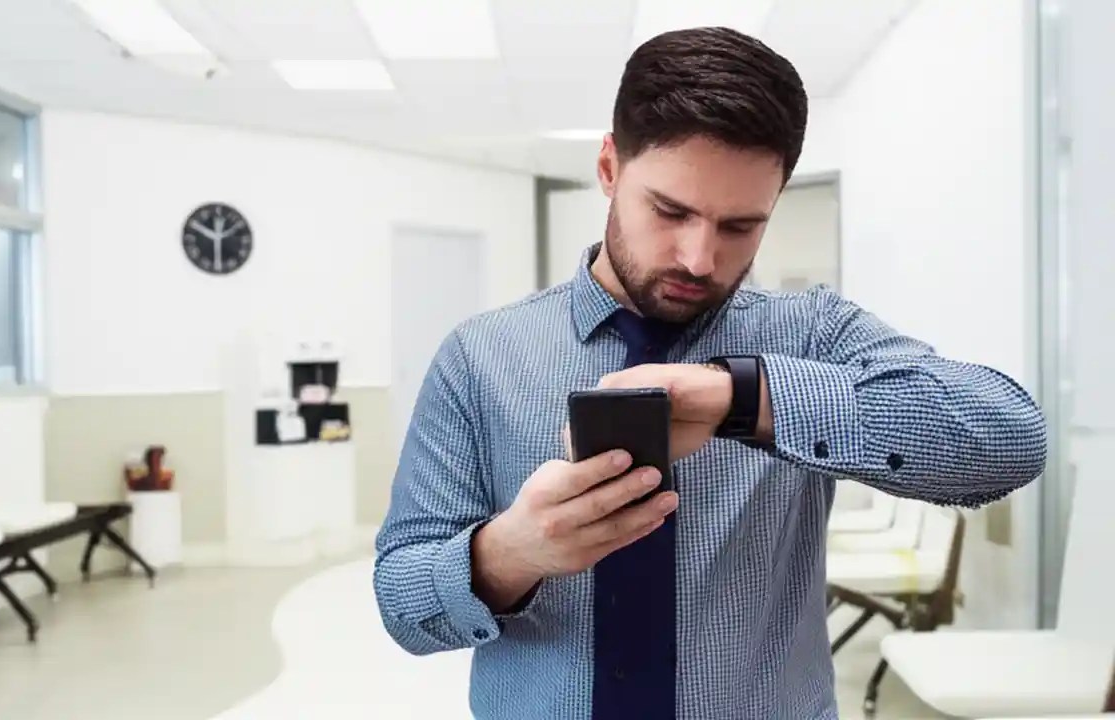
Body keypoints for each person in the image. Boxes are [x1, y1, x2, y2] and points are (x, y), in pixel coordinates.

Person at [371, 26, 1047, 720]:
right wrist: (509, 555)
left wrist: (748, 398)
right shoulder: (480, 358)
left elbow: (1007, 436)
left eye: (740, 226)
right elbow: (401, 602)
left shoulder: (810, 334)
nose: (699, 258)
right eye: (670, 211)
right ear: (609, 168)